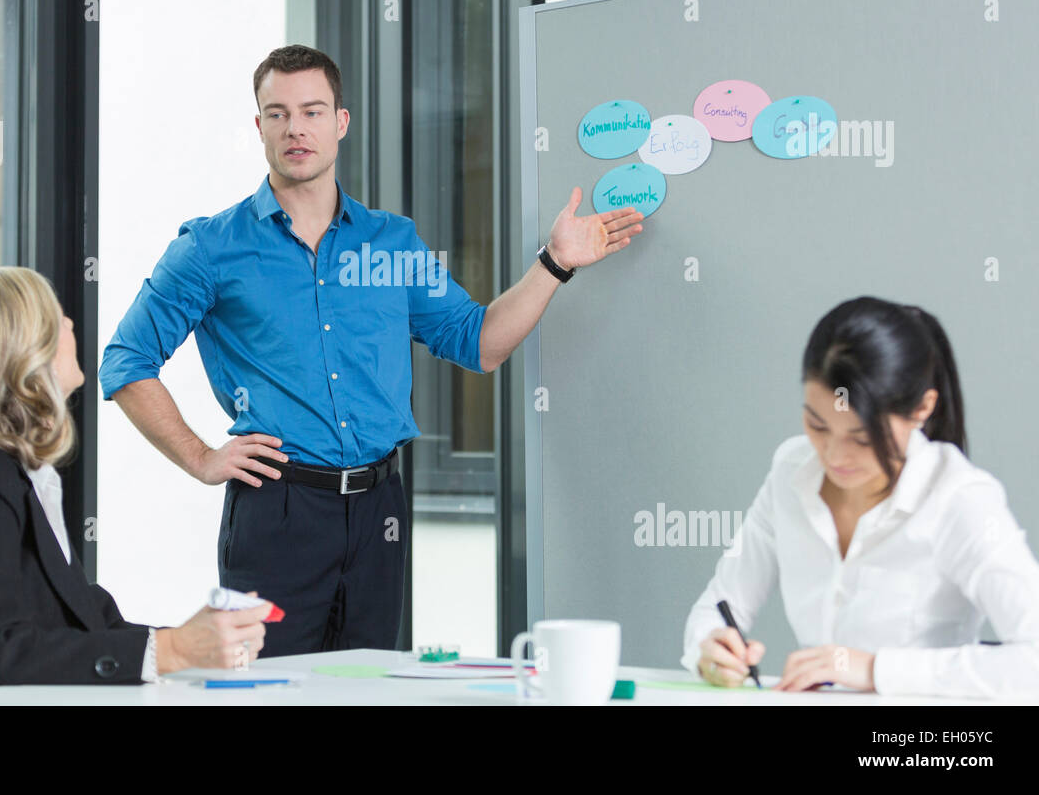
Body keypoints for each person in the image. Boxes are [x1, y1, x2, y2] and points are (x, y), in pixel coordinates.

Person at [100, 44, 644, 656]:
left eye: (311, 110)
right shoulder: (210, 247)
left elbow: (478, 342)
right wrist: (201, 457)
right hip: (277, 511)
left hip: (379, 509)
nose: (295, 128)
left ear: (341, 122)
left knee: (369, 687)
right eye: (277, 114)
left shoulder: (391, 241)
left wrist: (555, 264)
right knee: (269, 693)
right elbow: (125, 360)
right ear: (259, 127)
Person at [0, 266, 270, 696]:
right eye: (55, 318)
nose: (69, 323)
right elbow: (2, 653)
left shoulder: (16, 474)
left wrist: (195, 644)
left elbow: (85, 617)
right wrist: (172, 649)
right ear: (21, 355)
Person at [681, 296, 1039, 698]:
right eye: (817, 426)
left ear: (922, 408)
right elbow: (719, 603)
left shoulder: (958, 499)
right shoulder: (791, 471)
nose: (834, 457)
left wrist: (875, 669)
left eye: (861, 438)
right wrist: (711, 647)